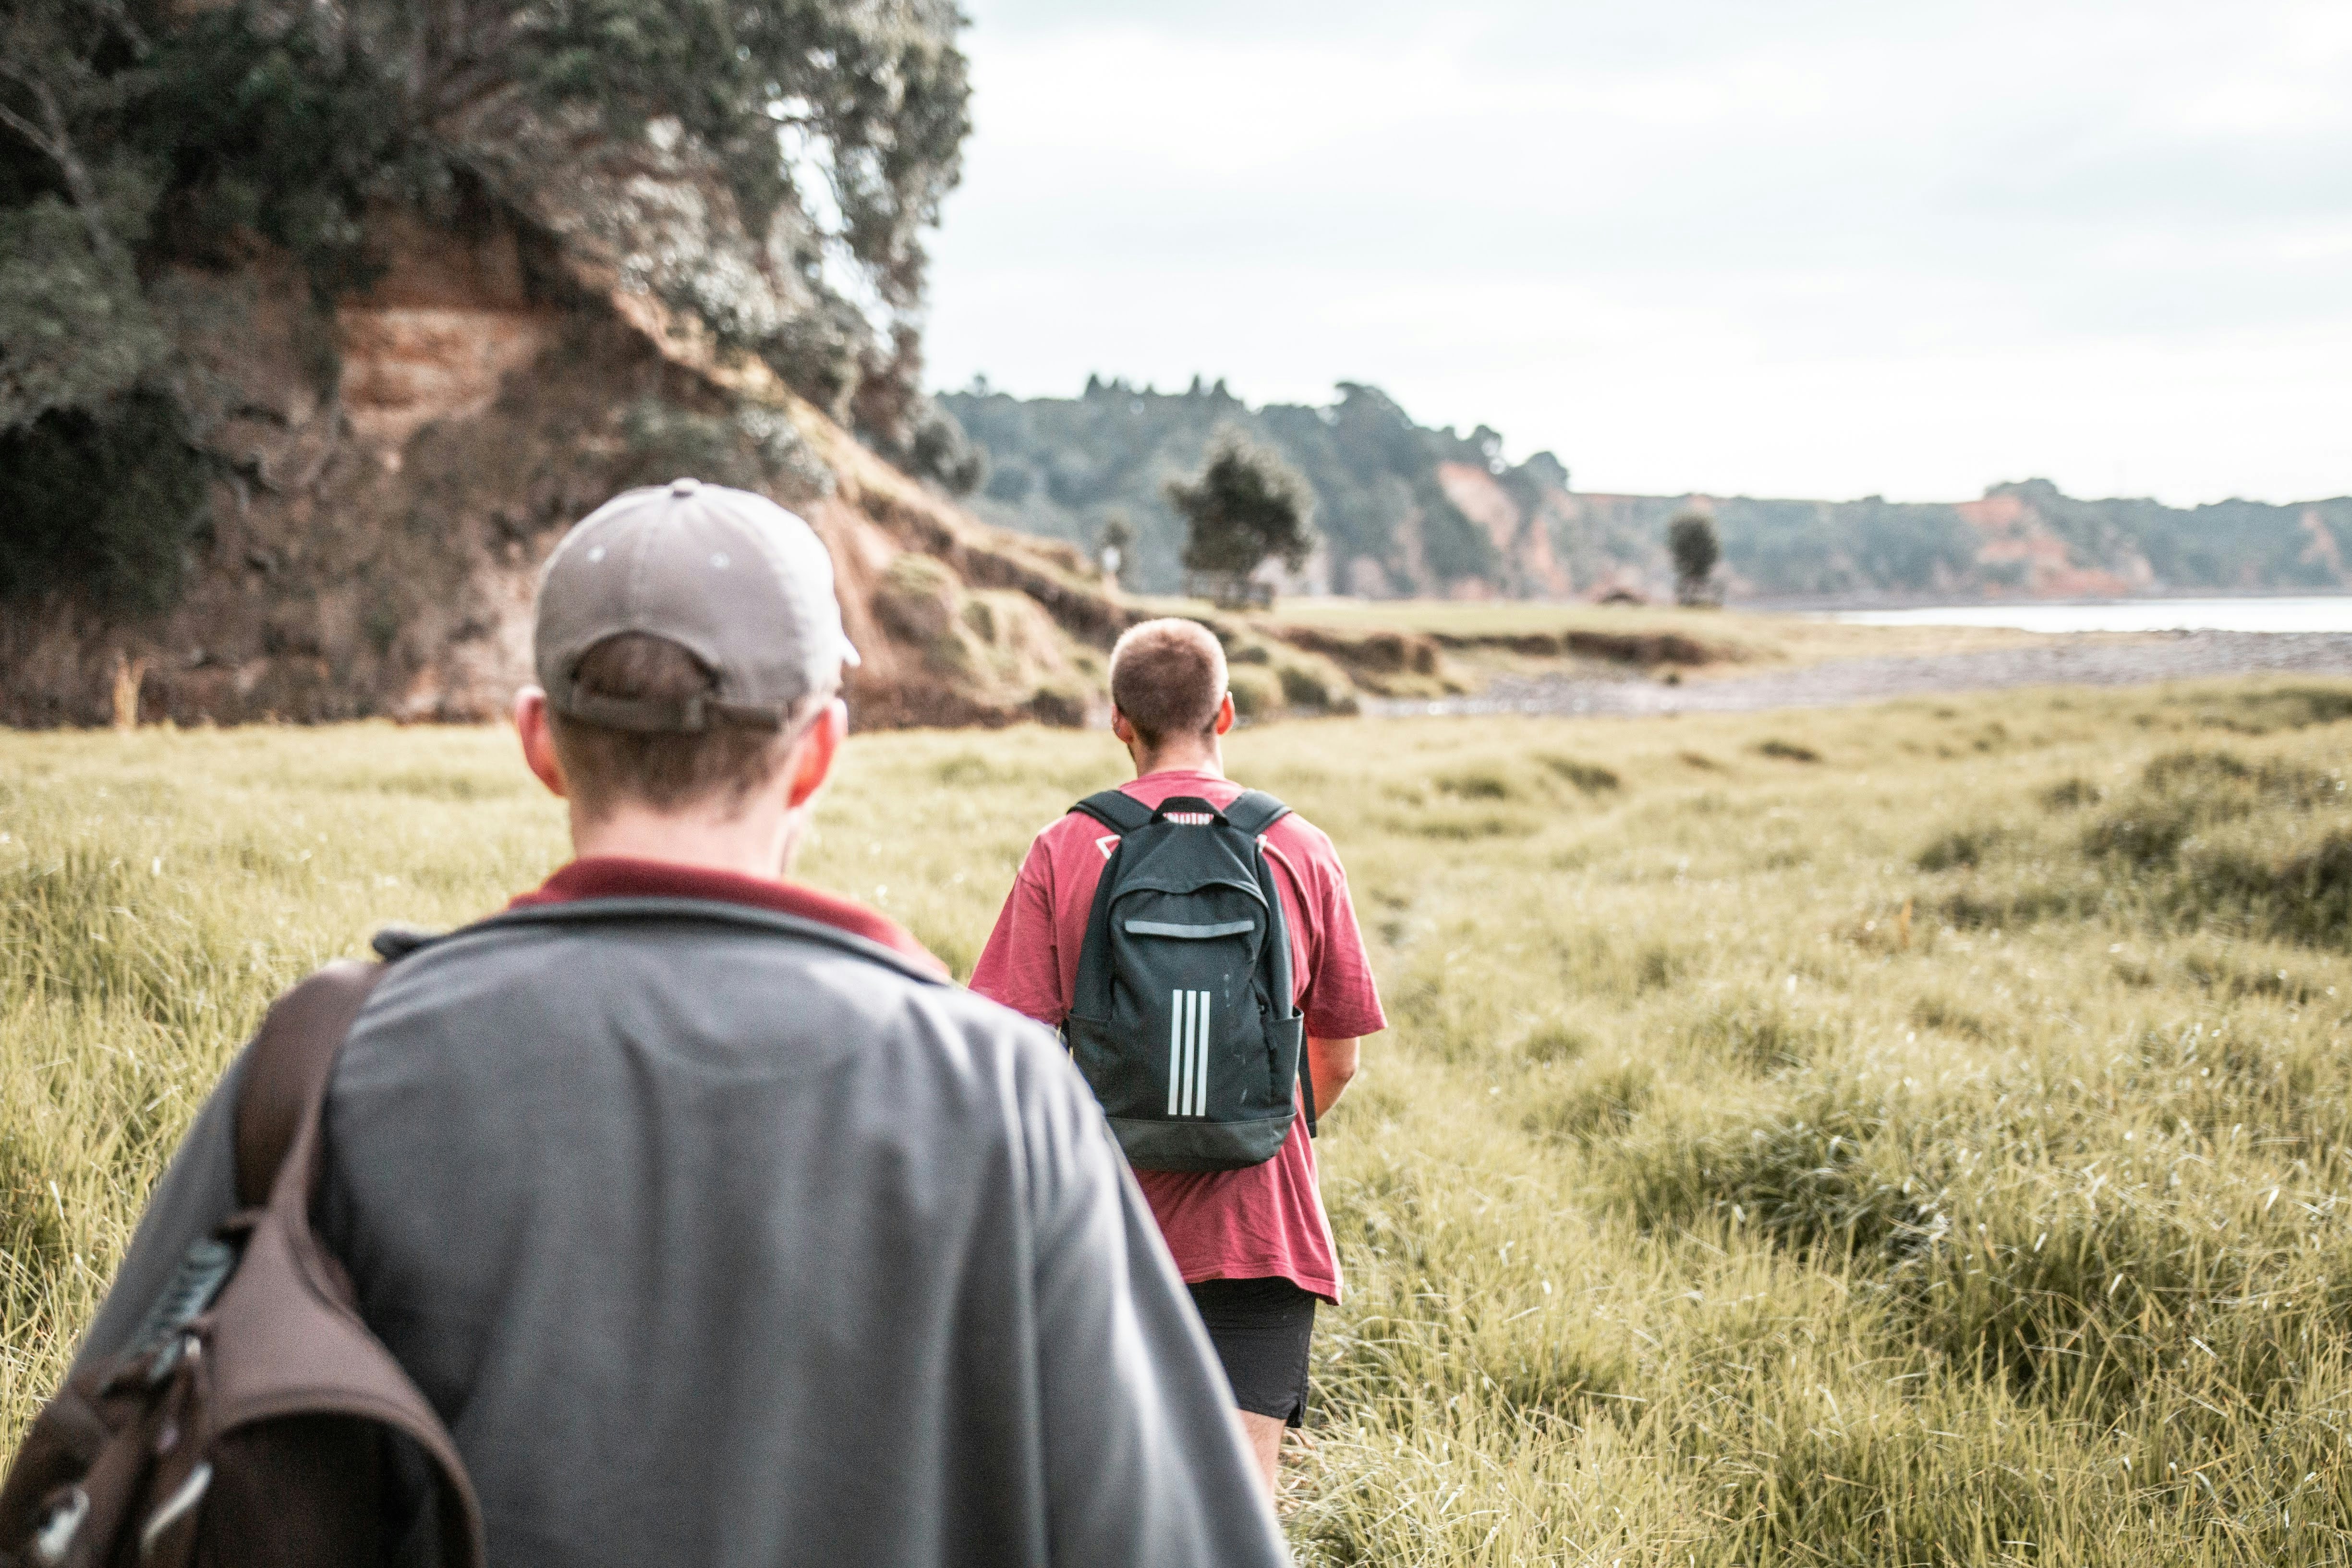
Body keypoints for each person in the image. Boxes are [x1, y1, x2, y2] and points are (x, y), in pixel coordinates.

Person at [64, 483, 1289, 1567]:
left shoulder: (321, 1062)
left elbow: (93, 1485)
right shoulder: (1001, 1092)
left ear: (540, 742)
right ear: (818, 751)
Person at [970, 618, 1388, 1497]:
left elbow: (1002, 1049)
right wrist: (1256, 1127)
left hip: (1102, 1227)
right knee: (1239, 1508)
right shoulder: (1300, 848)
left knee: (1099, 1506)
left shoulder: (1066, 847)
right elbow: (1339, 1058)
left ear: (1117, 720)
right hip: (1260, 1231)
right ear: (1226, 713)